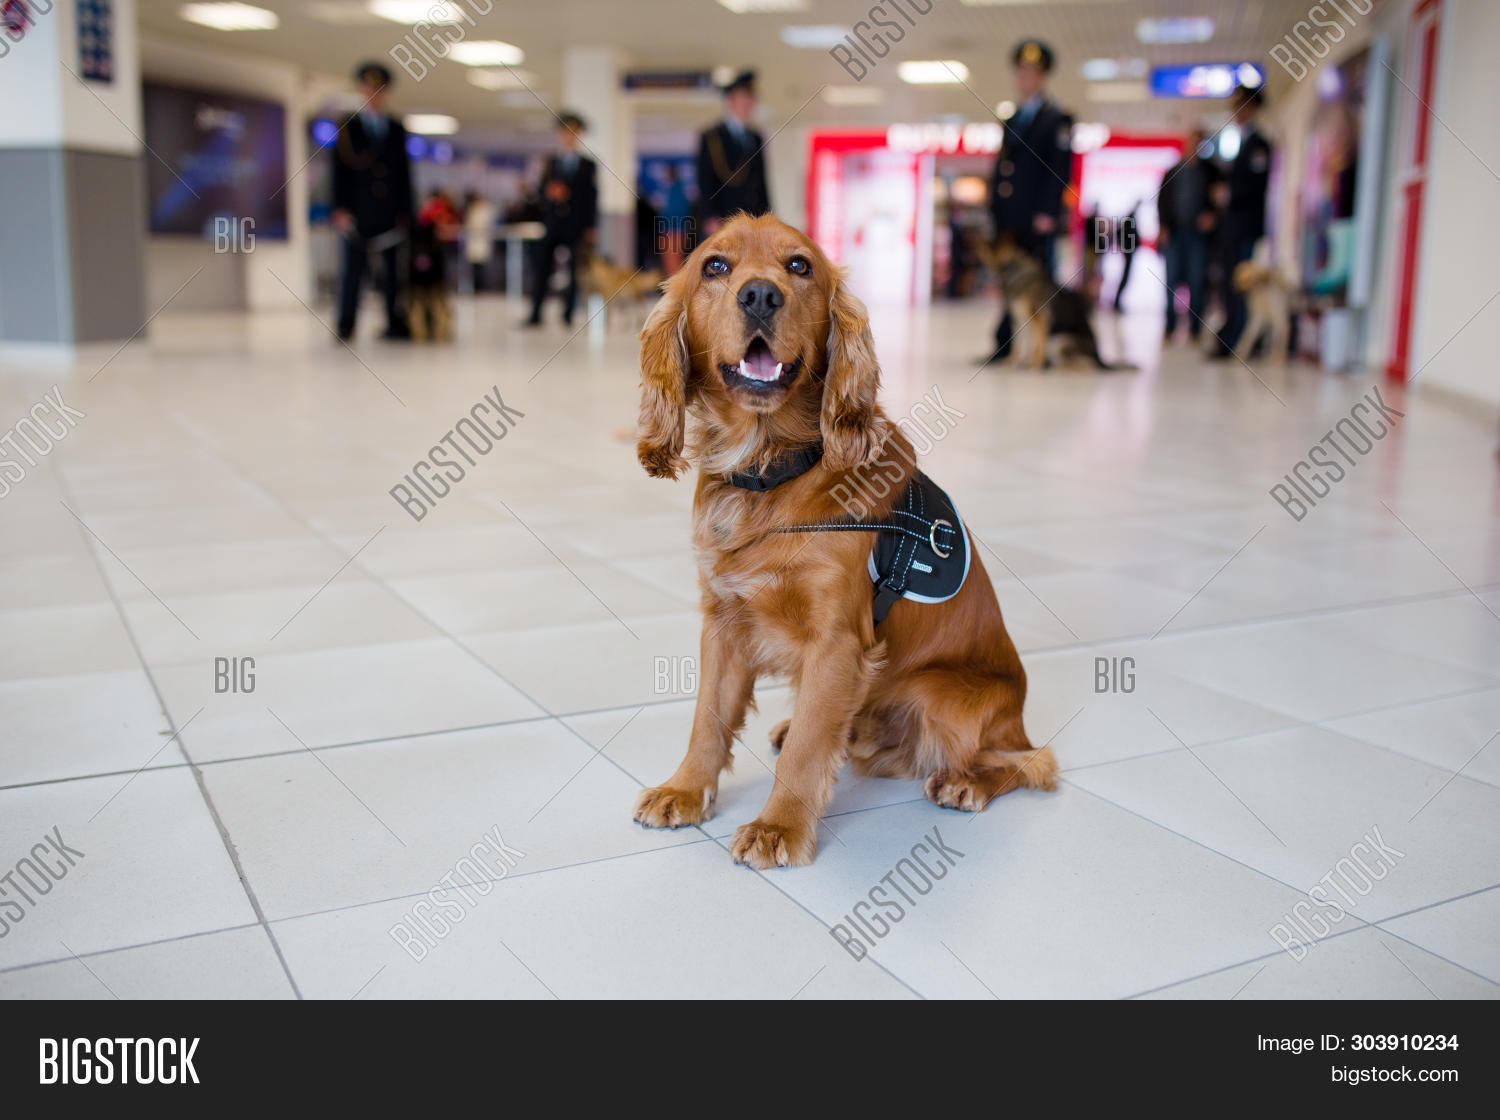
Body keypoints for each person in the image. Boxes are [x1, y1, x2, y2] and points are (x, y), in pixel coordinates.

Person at [981, 40, 1073, 364]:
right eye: (1021, 72)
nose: (1025, 78)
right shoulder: (1013, 118)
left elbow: (1060, 169)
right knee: (1010, 283)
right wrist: (994, 206)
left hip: (1036, 218)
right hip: (1009, 218)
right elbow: (1004, 169)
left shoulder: (1056, 119)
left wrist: (1049, 211)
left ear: (1043, 76)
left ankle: (1042, 348)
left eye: (1031, 72)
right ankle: (1007, 345)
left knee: (1038, 286)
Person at [332, 62, 414, 342]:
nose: (373, 95)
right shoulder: (347, 128)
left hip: (388, 212)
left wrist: (406, 212)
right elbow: (339, 173)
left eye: (378, 90)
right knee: (352, 270)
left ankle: (394, 323)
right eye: (368, 88)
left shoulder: (396, 128)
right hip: (357, 211)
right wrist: (339, 208)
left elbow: (404, 175)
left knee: (393, 272)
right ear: (360, 90)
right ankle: (346, 325)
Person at [1211, 84, 1272, 358]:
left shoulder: (1259, 144)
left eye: (1240, 106)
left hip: (1246, 227)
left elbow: (1257, 186)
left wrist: (1229, 194)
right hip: (1234, 227)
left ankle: (1236, 338)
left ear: (1251, 107)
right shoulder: (1244, 142)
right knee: (1228, 283)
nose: (1235, 111)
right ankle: (1230, 335)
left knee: (1240, 284)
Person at [525, 111, 597, 328]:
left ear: (579, 134)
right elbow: (539, 192)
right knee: (542, 268)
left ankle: (568, 313)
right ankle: (536, 313)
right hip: (552, 224)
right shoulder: (550, 163)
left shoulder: (587, 165)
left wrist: (590, 226)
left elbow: (591, 197)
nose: (569, 135)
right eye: (565, 131)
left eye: (574, 131)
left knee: (575, 270)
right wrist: (548, 194)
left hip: (575, 225)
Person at [1157, 130, 1222, 342]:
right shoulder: (1173, 172)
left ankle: (1195, 330)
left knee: (1197, 281)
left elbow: (1220, 200)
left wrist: (1212, 215)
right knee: (1170, 281)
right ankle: (1170, 328)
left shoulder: (1211, 172)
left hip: (1198, 235)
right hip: (1175, 233)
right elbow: (1162, 200)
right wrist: (1163, 226)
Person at [696, 70, 770, 234]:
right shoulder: (712, 136)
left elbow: (761, 181)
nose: (748, 102)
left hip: (754, 219)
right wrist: (710, 215)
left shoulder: (755, 137)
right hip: (723, 218)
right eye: (743, 97)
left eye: (751, 97)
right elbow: (705, 178)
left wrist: (768, 216)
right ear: (730, 100)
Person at [463, 190, 496, 293]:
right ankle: (475, 285)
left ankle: (480, 285)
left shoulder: (485, 209)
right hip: (474, 240)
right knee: (474, 265)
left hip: (480, 240)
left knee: (480, 266)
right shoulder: (471, 209)